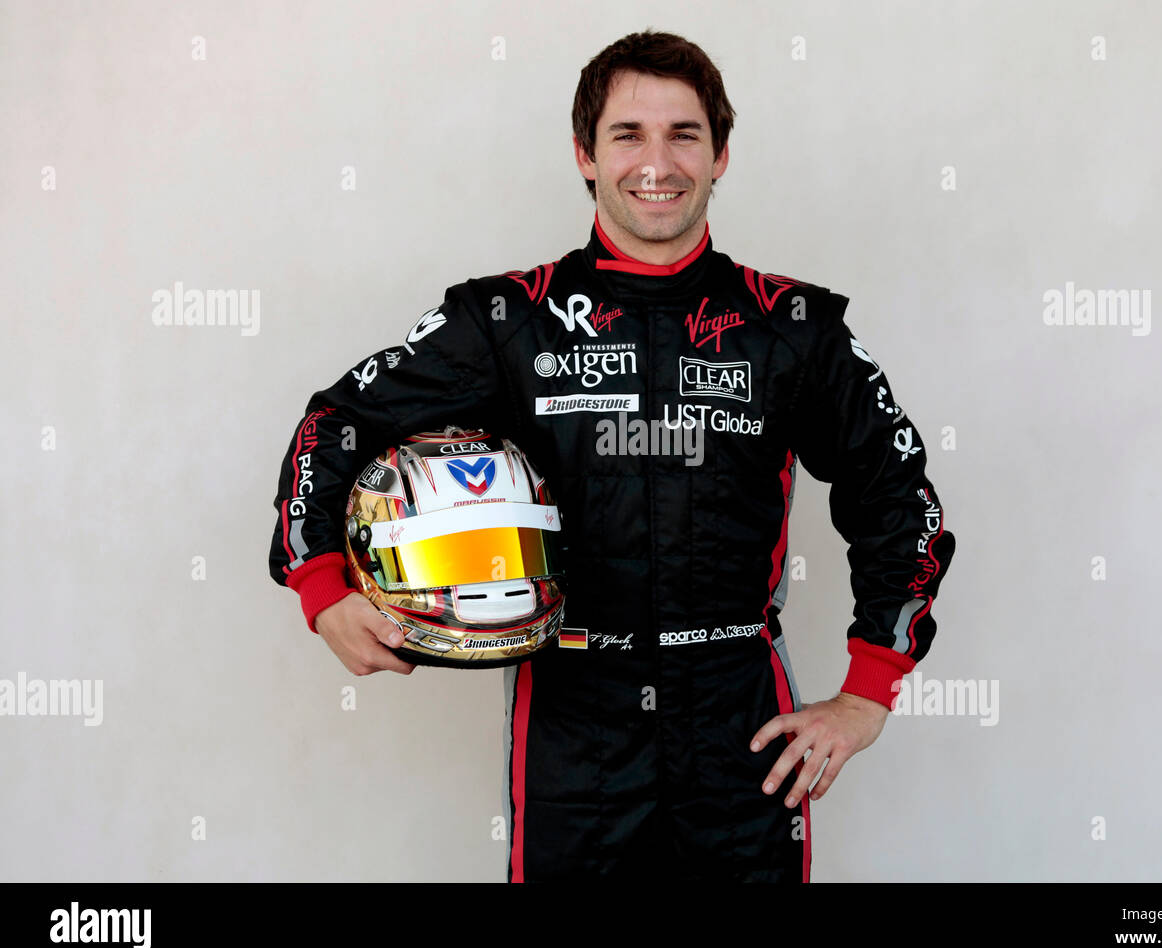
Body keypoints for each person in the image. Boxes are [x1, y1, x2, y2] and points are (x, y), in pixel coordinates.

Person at [268, 30, 955, 882]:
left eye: (684, 135)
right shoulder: (507, 319)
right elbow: (335, 423)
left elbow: (898, 493)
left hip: (741, 726)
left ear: (722, 154)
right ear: (585, 155)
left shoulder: (793, 329)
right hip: (573, 724)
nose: (656, 162)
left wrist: (868, 693)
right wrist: (322, 585)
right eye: (628, 134)